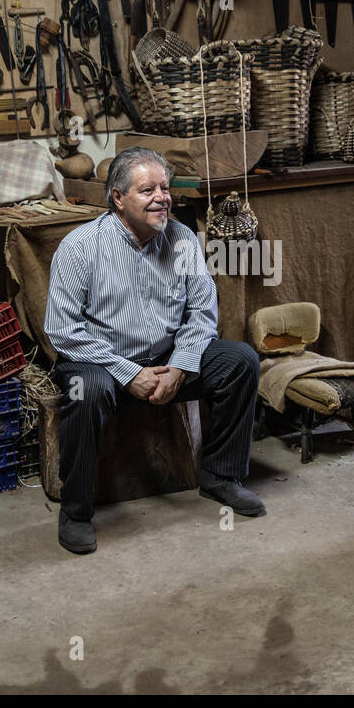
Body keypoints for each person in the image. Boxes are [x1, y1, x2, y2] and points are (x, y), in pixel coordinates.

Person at [44, 147, 262, 554]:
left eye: (165, 188)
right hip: (101, 361)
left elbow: (201, 313)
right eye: (148, 190)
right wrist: (128, 373)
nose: (162, 197)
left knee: (240, 361)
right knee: (84, 391)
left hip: (166, 359)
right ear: (118, 198)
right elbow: (62, 330)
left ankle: (220, 476)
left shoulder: (182, 241)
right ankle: (76, 510)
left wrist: (179, 367)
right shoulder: (80, 247)